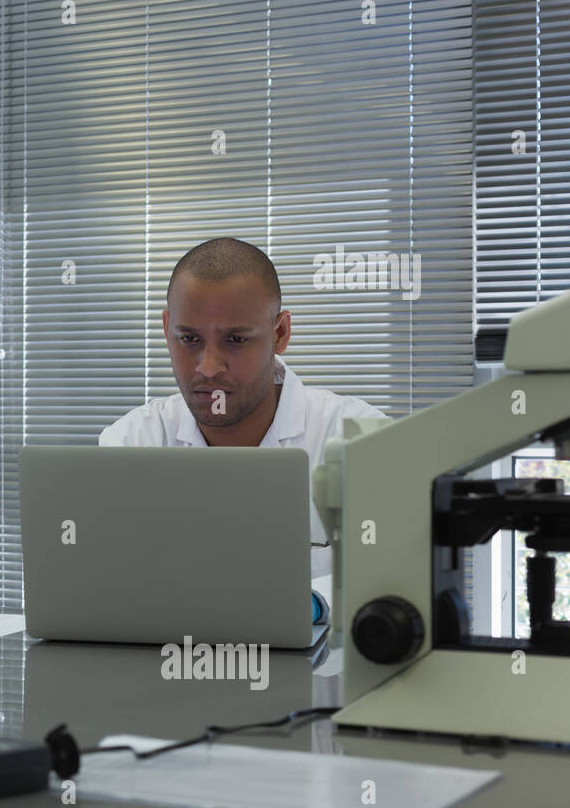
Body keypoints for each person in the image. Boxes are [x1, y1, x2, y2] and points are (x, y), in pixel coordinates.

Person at [99, 237, 388, 576]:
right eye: (189, 339)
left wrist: (310, 604)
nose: (208, 367)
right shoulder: (129, 442)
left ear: (280, 333)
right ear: (167, 331)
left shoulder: (359, 439)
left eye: (236, 340)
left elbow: (388, 581)